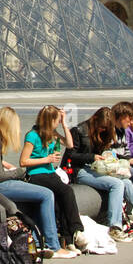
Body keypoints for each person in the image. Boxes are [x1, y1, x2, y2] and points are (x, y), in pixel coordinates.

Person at [0, 107, 67, 257]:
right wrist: (19, 172)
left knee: (39, 196)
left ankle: (38, 243)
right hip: (0, 186)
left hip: (0, 183)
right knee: (46, 194)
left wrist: (6, 165)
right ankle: (53, 245)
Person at [20, 106, 89, 253]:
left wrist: (65, 124)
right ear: (50, 120)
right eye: (57, 121)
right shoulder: (32, 135)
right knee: (66, 191)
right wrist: (47, 159)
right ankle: (77, 229)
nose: (58, 124)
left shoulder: (53, 133)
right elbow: (23, 161)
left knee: (59, 201)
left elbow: (70, 145)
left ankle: (68, 239)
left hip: (50, 173)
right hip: (37, 174)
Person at [68, 106, 133, 241]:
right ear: (95, 120)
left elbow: (108, 152)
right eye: (102, 127)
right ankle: (114, 226)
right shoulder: (78, 130)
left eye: (105, 128)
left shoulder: (104, 132)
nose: (103, 130)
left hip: (97, 168)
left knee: (126, 181)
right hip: (80, 170)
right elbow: (70, 155)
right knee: (117, 184)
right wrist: (92, 157)